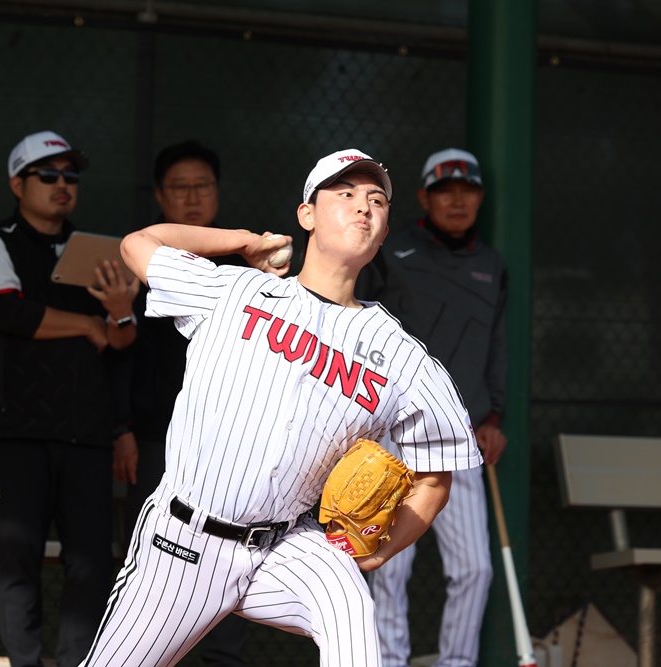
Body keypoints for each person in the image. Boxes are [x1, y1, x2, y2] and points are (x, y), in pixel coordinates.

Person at [79, 148, 482, 667]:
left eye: (377, 200)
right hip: (182, 542)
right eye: (345, 193)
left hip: (286, 545)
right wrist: (243, 242)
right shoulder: (236, 291)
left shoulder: (403, 357)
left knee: (349, 605)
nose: (363, 206)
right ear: (306, 215)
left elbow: (435, 478)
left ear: (384, 233)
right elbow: (139, 244)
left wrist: (381, 550)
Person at [0, 130, 139, 667]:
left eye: (71, 175)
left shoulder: (98, 253)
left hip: (85, 432)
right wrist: (88, 324)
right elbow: (2, 309)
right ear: (17, 184)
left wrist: (119, 313)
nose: (63, 184)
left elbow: (121, 341)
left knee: (92, 563)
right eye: (48, 174)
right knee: (18, 559)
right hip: (12, 429)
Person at [356, 148, 507, 667]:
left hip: (460, 432)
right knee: (389, 564)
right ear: (424, 197)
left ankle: (458, 663)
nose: (457, 200)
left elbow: (498, 348)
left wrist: (494, 416)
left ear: (480, 198)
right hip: (392, 427)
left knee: (475, 569)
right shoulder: (390, 250)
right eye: (445, 191)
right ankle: (389, 662)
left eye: (468, 190)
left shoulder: (492, 265)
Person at [114, 139, 251, 666]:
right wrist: (121, 428)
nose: (193, 197)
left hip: (230, 446)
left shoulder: (247, 265)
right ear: (159, 196)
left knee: (230, 566)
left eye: (203, 186)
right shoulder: (138, 260)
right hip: (155, 438)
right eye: (181, 187)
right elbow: (116, 358)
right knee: (149, 571)